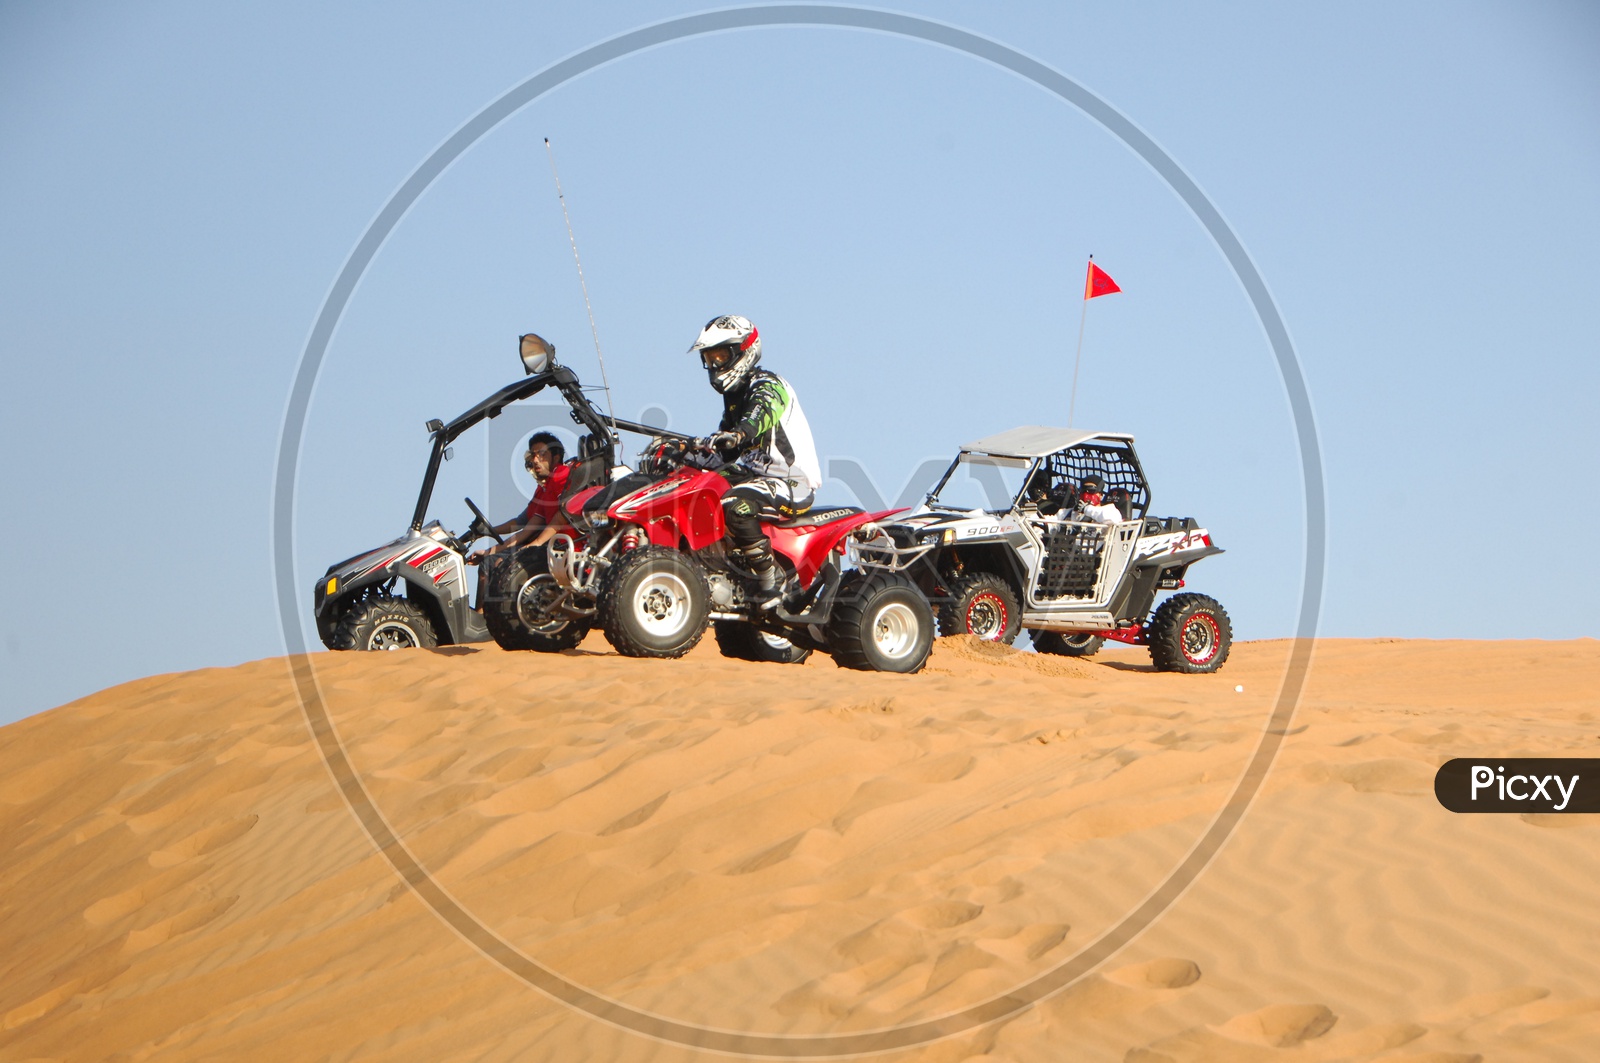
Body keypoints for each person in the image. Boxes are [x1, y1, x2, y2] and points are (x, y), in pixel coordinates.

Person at [689, 314, 822, 605]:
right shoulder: (734, 398)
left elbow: (761, 412)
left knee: (735, 506)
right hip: (751, 475)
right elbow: (723, 451)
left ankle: (770, 575)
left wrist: (740, 433)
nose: (715, 366)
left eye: (721, 356)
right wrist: (684, 452)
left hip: (789, 480)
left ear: (743, 351)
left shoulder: (768, 384)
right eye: (709, 359)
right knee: (693, 490)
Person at [468, 432, 573, 602]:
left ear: (556, 457)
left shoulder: (562, 476)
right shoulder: (544, 490)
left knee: (499, 564)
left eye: (542, 454)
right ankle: (481, 619)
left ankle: (495, 617)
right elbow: (525, 527)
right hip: (543, 543)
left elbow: (561, 518)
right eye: (533, 455)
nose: (535, 460)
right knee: (487, 564)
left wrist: (534, 544)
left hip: (560, 546)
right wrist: (488, 548)